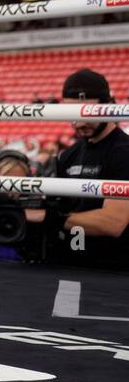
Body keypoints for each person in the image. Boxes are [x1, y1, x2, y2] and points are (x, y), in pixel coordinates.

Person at [45, 69, 129, 267]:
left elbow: (113, 222)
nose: (79, 123)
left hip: (114, 271)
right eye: (71, 114)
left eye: (86, 112)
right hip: (73, 262)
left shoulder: (124, 152)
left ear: (108, 106)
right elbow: (60, 207)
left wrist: (51, 218)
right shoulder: (68, 155)